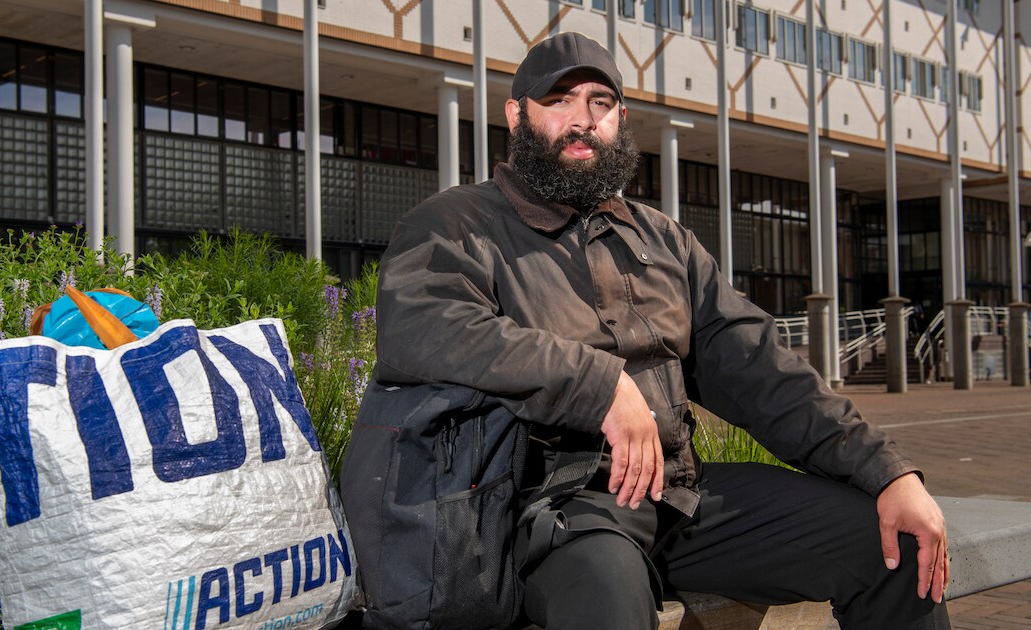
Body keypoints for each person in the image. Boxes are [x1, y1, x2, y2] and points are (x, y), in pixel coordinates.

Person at [365, 31, 949, 629]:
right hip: (557, 508)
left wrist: (887, 472)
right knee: (610, 603)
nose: (582, 120)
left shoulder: (664, 241)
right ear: (517, 115)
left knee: (895, 547)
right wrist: (600, 386)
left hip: (679, 498)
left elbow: (762, 372)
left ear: (620, 116)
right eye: (559, 101)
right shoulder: (455, 224)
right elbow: (426, 329)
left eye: (599, 102)